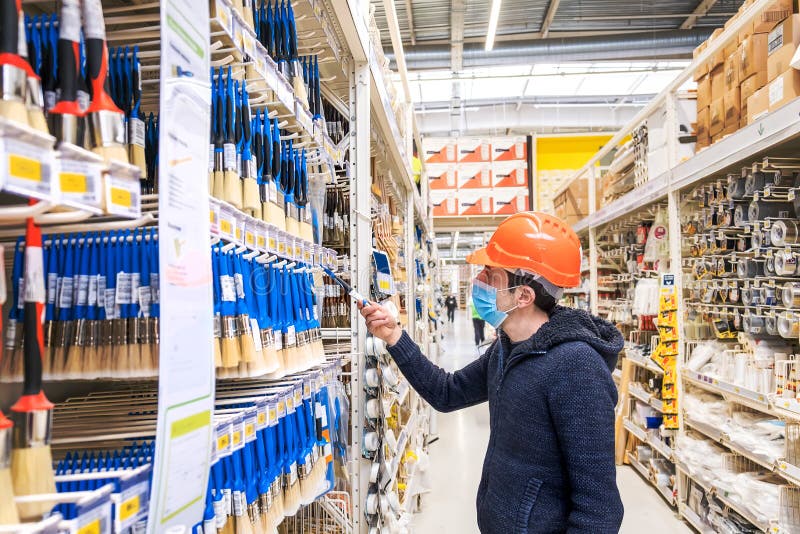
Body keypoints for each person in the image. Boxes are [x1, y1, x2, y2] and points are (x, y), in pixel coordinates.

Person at [360, 212, 624, 533]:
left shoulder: (577, 367)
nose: (479, 280)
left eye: (491, 275)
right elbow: (446, 392)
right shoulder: (507, 348)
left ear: (523, 295)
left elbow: (599, 510)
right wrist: (394, 336)